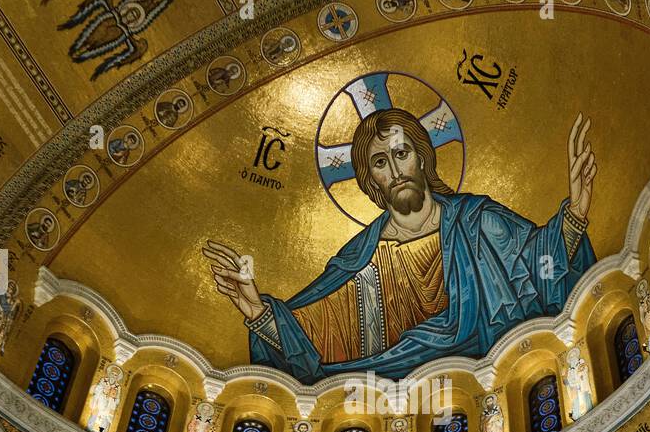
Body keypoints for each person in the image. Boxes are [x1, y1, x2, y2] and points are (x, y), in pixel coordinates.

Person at [205, 108, 597, 383]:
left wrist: (576, 213)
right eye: (380, 163)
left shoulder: (477, 220)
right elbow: (310, 344)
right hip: (399, 405)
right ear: (369, 180)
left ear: (422, 159)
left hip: (505, 379)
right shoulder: (360, 259)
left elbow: (541, 267)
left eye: (401, 154)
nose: (394, 171)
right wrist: (258, 312)